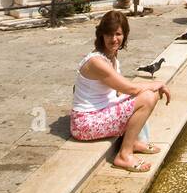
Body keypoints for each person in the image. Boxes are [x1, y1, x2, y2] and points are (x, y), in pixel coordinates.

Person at [70, 10, 169, 173]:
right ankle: (124, 155)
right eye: (109, 34)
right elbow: (131, 88)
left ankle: (134, 142)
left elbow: (121, 91)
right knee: (147, 97)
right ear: (101, 35)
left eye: (118, 34)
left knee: (149, 95)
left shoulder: (111, 57)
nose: (114, 39)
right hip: (85, 124)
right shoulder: (97, 62)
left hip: (99, 113)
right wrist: (157, 84)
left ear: (124, 35)